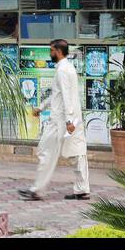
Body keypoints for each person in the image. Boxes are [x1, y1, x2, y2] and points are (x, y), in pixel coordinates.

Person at [20, 39, 90, 201]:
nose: (49, 53)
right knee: (76, 154)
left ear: (58, 51)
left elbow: (66, 96)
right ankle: (82, 189)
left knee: (46, 152)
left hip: (61, 121)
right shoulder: (66, 68)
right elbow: (57, 94)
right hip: (69, 119)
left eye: (51, 50)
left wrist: (69, 121)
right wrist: (41, 107)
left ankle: (37, 190)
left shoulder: (63, 70)